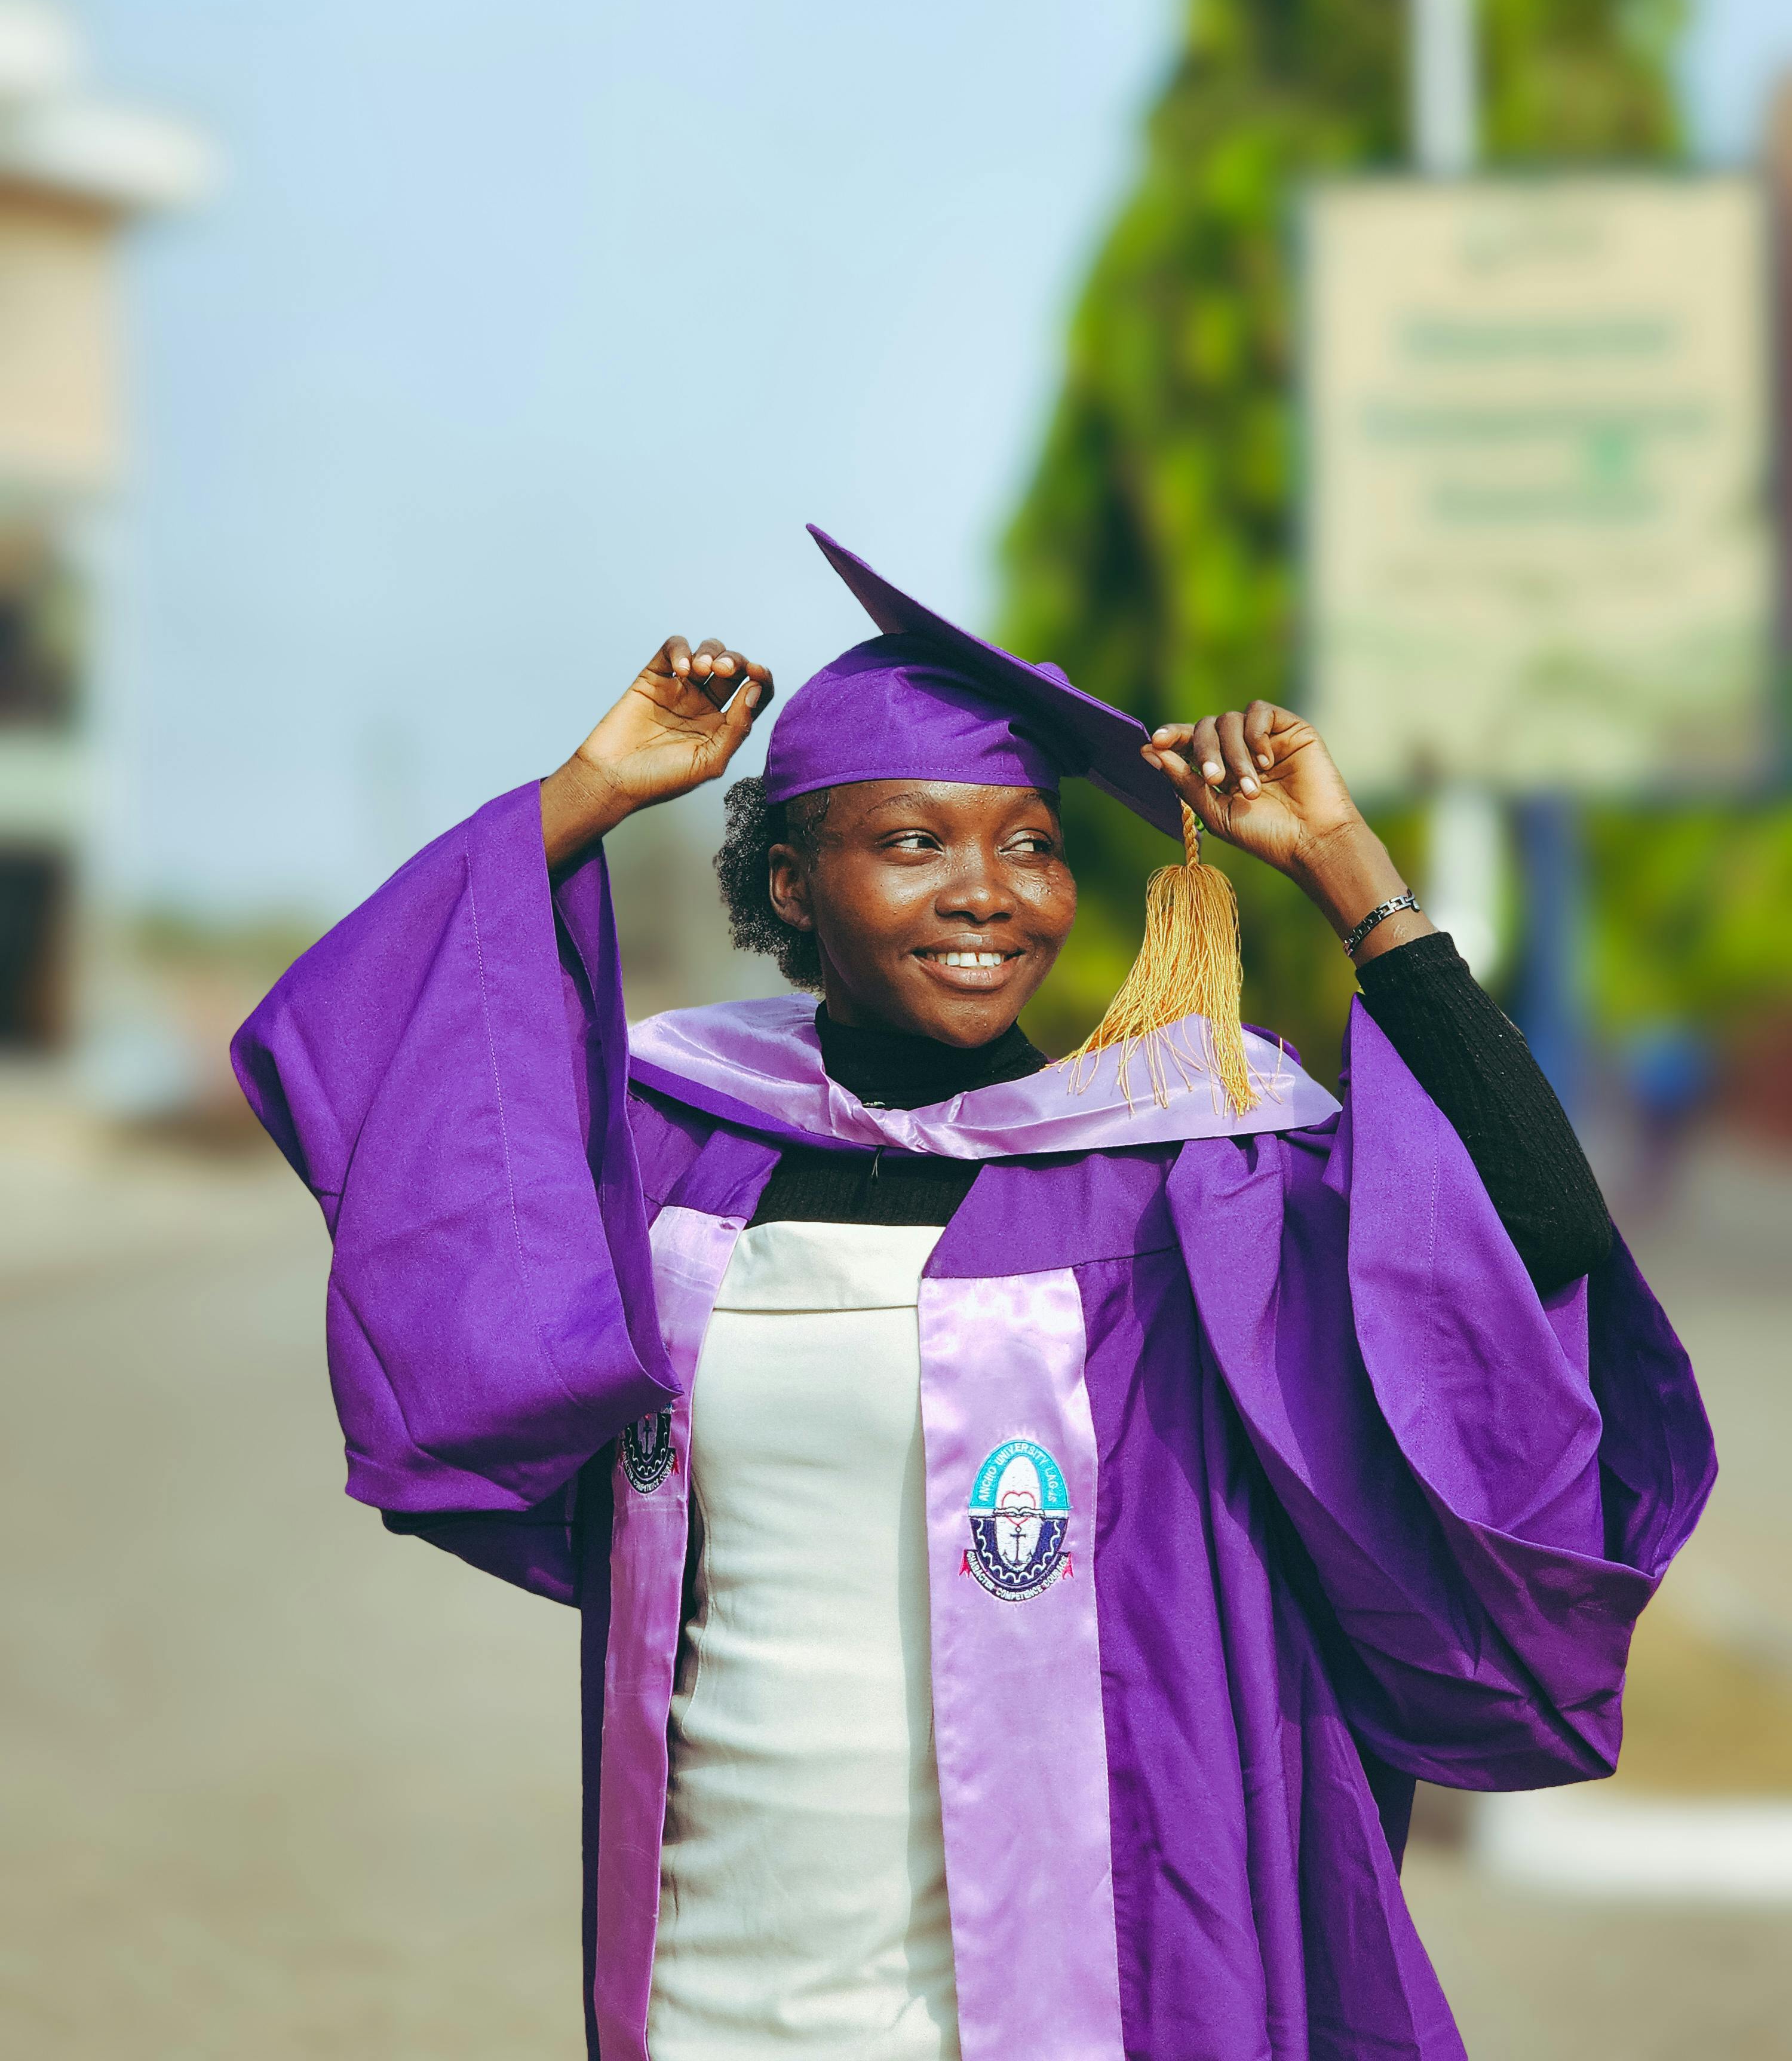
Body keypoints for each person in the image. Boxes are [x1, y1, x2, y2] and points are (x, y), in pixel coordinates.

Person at [233, 527, 1713, 2061]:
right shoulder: (678, 1146)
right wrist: (578, 803)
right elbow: (394, 1100)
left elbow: (1525, 1242)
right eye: (915, 841)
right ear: (793, 885)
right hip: (714, 1949)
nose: (986, 892)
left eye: (1028, 841)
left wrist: (1350, 869)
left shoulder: (1181, 1178)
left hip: (1099, 1945)